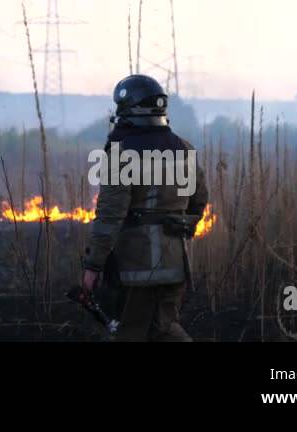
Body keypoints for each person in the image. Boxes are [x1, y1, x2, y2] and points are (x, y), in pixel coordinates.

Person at [82, 74, 208, 342]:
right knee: (162, 329)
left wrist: (93, 266)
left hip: (136, 268)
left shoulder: (121, 155)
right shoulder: (184, 149)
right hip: (175, 264)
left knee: (129, 335)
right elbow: (198, 202)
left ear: (128, 111)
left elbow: (110, 217)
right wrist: (180, 227)